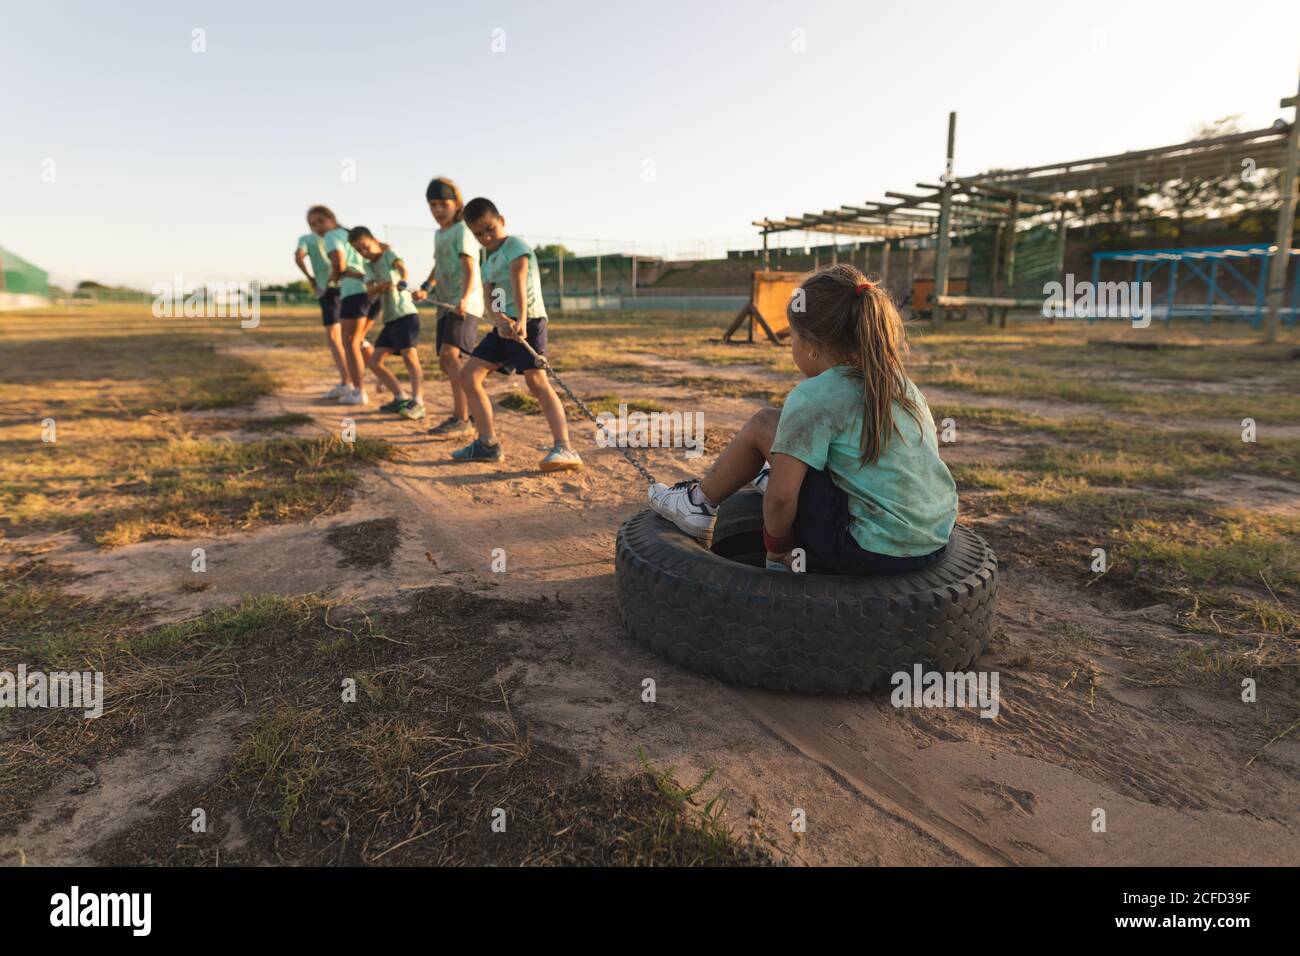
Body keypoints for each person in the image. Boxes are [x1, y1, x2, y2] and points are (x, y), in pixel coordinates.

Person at [648, 264, 957, 575]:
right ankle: (779, 473)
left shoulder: (814, 395)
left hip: (866, 548)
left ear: (811, 346)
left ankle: (698, 504)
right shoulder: (900, 385)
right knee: (806, 451)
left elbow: (781, 501)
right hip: (932, 541)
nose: (791, 346)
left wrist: (778, 550)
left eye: (792, 338)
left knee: (766, 424)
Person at [450, 197, 581, 473]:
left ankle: (564, 446)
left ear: (502, 221)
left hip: (529, 321)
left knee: (536, 381)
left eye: (490, 229)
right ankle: (487, 444)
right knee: (468, 376)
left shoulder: (516, 247)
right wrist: (499, 319)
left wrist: (520, 319)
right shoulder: (488, 262)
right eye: (478, 234)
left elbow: (519, 281)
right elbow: (490, 297)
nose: (486, 236)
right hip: (502, 328)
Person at [412, 176, 482, 440]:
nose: (438, 210)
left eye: (443, 203)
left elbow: (469, 266)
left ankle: (462, 418)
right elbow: (438, 267)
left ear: (457, 203)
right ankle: (471, 407)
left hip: (463, 304)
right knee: (446, 361)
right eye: (432, 205)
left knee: (449, 356)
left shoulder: (463, 230)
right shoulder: (440, 234)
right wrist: (426, 287)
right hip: (444, 303)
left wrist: (464, 298)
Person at [348, 227, 425, 420]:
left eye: (365, 246)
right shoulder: (368, 267)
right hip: (390, 319)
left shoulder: (389, 253)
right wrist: (378, 287)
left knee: (410, 356)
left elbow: (402, 268)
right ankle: (400, 397)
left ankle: (418, 402)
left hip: (406, 314)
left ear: (374, 240)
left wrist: (403, 281)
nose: (364, 252)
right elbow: (369, 292)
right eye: (359, 250)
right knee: (374, 362)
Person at [310, 205, 380, 406]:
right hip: (370, 292)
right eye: (313, 225)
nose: (318, 227)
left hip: (354, 293)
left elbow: (339, 264)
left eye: (320, 221)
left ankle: (357, 390)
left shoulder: (332, 236)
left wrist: (330, 282)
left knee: (350, 343)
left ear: (331, 218)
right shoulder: (349, 233)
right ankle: (381, 379)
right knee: (359, 340)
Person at [294, 220, 347, 398]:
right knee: (354, 338)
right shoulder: (342, 234)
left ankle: (347, 381)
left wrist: (310, 277)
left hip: (329, 289)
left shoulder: (308, 239)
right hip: (350, 287)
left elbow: (298, 256)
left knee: (336, 338)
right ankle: (359, 381)